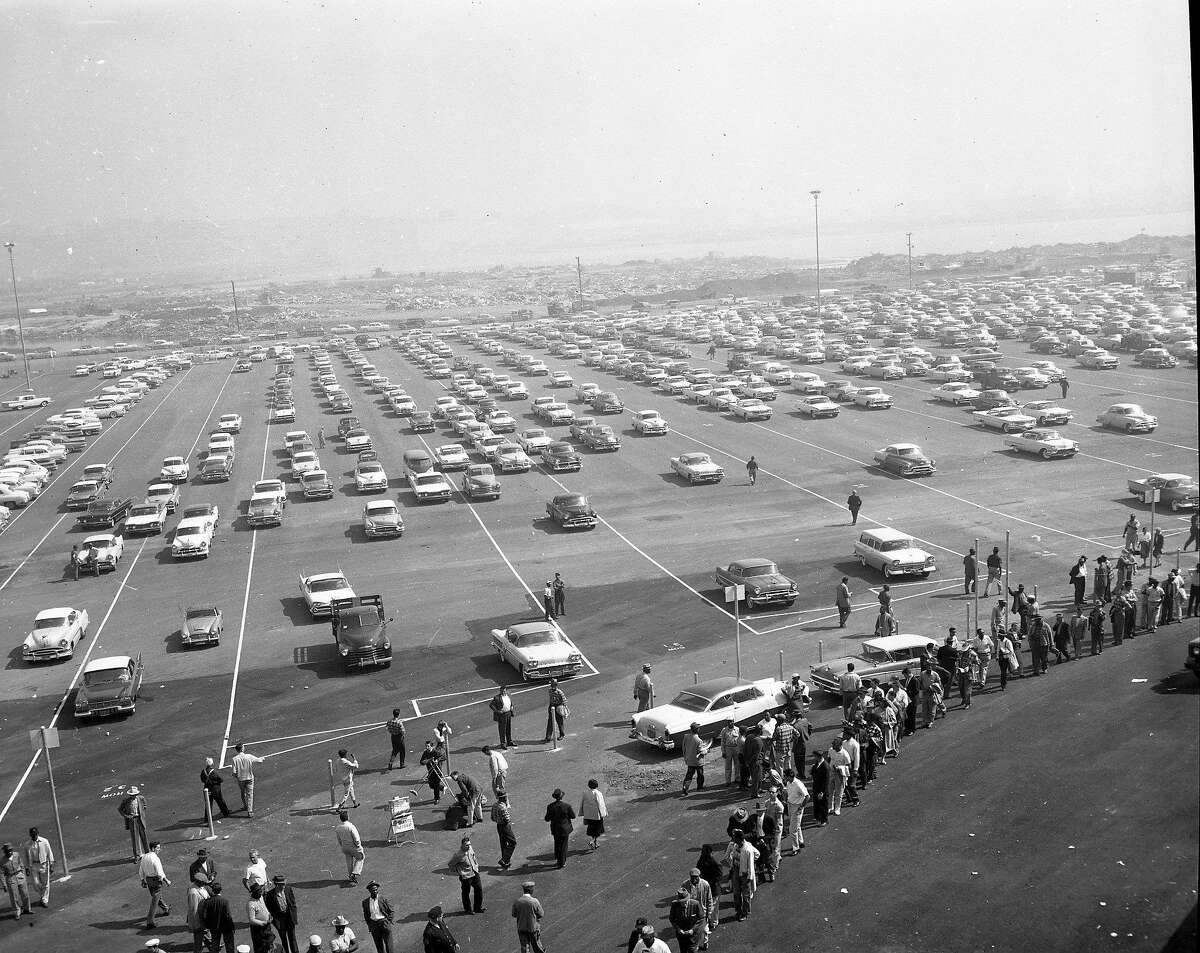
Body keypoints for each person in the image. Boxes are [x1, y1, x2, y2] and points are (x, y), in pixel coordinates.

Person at [723, 829, 759, 921]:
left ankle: (745, 912)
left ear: (740, 839)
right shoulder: (735, 846)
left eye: (735, 838)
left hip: (744, 874)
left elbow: (755, 857)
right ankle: (738, 911)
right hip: (735, 871)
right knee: (736, 893)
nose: (733, 840)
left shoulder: (748, 849)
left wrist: (749, 875)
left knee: (745, 895)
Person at [139, 841, 172, 929]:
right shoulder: (155, 858)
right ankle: (150, 922)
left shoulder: (144, 857)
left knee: (156, 896)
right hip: (156, 880)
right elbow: (160, 872)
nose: (159, 850)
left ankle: (166, 909)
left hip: (149, 880)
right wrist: (166, 880)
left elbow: (141, 870)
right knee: (155, 901)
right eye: (158, 848)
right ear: (153, 848)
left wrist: (142, 880)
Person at [449, 835, 484, 915]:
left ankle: (477, 907)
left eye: (469, 844)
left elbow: (474, 857)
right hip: (466, 876)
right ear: (462, 845)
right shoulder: (458, 855)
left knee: (479, 889)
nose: (469, 846)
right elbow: (451, 864)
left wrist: (476, 866)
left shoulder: (470, 849)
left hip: (474, 872)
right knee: (465, 893)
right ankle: (468, 909)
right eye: (467, 845)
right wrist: (459, 872)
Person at [265, 874, 300, 953]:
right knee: (283, 939)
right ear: (277, 885)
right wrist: (275, 922)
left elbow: (293, 903)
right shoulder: (270, 895)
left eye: (284, 884)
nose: (284, 886)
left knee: (292, 938)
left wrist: (294, 916)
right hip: (280, 920)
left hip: (289, 917)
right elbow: (270, 909)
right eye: (282, 884)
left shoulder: (288, 889)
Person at [200, 881, 237, 953]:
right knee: (229, 945)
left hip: (213, 927)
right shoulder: (225, 901)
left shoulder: (208, 902)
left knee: (215, 945)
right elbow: (228, 915)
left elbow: (204, 915)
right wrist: (232, 926)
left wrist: (207, 925)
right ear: (220, 890)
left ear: (212, 890)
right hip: (226, 927)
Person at [544, 788, 576, 868]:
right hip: (565, 828)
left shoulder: (550, 806)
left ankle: (558, 860)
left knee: (557, 844)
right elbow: (573, 816)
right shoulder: (567, 806)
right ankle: (562, 862)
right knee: (564, 846)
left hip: (555, 828)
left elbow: (547, 819)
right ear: (561, 797)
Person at [232, 742, 265, 818]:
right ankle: (249, 811)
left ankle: (245, 805)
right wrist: (262, 758)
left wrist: (238, 777)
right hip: (249, 778)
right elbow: (259, 760)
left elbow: (234, 772)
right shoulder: (248, 756)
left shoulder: (234, 759)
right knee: (250, 794)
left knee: (242, 792)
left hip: (241, 779)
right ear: (242, 749)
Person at [118, 785, 151, 860]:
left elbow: (145, 805)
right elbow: (120, 809)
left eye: (134, 795)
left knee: (144, 836)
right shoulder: (126, 801)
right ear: (129, 795)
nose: (133, 796)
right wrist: (126, 816)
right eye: (132, 795)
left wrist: (142, 813)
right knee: (135, 838)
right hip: (132, 819)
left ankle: (147, 853)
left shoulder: (141, 798)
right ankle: (137, 856)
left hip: (140, 818)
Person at [22, 827, 52, 908]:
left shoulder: (44, 841)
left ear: (38, 834)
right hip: (33, 866)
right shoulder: (27, 844)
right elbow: (25, 857)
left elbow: (49, 852)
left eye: (35, 834)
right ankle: (42, 895)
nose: (34, 836)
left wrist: (51, 864)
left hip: (44, 864)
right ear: (30, 835)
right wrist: (26, 868)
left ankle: (44, 899)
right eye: (32, 835)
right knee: (36, 884)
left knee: (45, 883)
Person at [512, 882, 546, 953]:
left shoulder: (517, 901)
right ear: (530, 890)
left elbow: (514, 914)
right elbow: (541, 914)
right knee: (537, 947)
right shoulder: (534, 901)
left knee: (525, 949)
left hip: (521, 928)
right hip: (533, 928)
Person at [361, 881, 395, 953]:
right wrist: (370, 925)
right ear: (369, 891)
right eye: (373, 890)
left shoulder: (383, 899)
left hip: (384, 923)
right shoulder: (365, 902)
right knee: (378, 945)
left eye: (376, 889)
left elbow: (391, 911)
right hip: (374, 925)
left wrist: (387, 921)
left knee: (389, 945)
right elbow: (366, 915)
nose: (375, 891)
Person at [1, 843, 32, 921]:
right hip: (11, 878)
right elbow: (1, 873)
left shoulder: (17, 855)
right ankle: (17, 912)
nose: (9, 852)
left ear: (12, 850)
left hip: (20, 875)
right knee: (14, 897)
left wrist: (23, 875)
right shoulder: (2, 860)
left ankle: (27, 909)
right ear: (4, 852)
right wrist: (4, 885)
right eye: (7, 851)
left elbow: (21, 864)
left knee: (25, 894)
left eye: (10, 850)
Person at [669, 885, 704, 952]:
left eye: (685, 901)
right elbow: (671, 919)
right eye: (682, 902)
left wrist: (693, 929)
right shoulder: (674, 905)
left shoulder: (696, 904)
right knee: (683, 950)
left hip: (693, 935)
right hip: (681, 935)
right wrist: (678, 929)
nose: (684, 903)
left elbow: (701, 918)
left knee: (692, 950)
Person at [335, 811, 365, 885]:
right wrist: (358, 845)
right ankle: (355, 873)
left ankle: (351, 877)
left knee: (349, 862)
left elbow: (339, 839)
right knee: (360, 857)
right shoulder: (350, 826)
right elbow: (356, 838)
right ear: (348, 817)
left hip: (345, 847)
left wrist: (342, 846)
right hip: (353, 847)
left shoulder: (338, 828)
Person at [680, 723, 709, 796]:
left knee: (689, 776)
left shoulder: (686, 737)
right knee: (700, 774)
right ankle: (700, 787)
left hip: (689, 760)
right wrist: (706, 751)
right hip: (698, 761)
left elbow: (683, 748)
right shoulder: (698, 740)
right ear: (697, 730)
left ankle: (685, 789)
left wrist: (685, 757)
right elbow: (700, 751)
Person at [491, 792, 518, 868]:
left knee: (503, 844)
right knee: (513, 842)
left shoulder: (494, 805)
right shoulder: (502, 807)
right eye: (506, 797)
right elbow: (507, 819)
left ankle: (506, 862)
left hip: (499, 826)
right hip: (505, 826)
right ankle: (504, 860)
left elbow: (492, 818)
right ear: (503, 798)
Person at [187, 872, 211, 953]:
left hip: (204, 919)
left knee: (206, 938)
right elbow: (194, 909)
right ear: (198, 882)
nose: (204, 884)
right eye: (203, 883)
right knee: (198, 943)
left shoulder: (201, 888)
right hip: (198, 921)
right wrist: (197, 925)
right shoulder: (193, 892)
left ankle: (212, 946)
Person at [579, 779, 607, 849]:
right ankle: (593, 841)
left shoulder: (585, 793)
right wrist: (603, 814)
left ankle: (595, 842)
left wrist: (582, 812)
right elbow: (601, 804)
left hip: (588, 815)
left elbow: (582, 803)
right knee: (598, 829)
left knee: (591, 829)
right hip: (597, 815)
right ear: (596, 785)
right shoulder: (598, 793)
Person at [247, 882, 273, 953]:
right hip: (258, 930)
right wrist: (263, 923)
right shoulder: (251, 904)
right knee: (260, 948)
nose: (261, 893)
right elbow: (251, 920)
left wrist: (269, 914)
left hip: (266, 926)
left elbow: (264, 907)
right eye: (259, 892)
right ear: (254, 893)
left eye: (261, 891)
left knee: (269, 945)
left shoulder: (260, 897)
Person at [420, 739, 448, 804]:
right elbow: (421, 762)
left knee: (435, 786)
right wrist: (429, 760)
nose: (427, 748)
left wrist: (437, 760)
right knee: (431, 785)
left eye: (428, 746)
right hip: (430, 771)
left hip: (437, 771)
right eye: (426, 746)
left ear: (432, 746)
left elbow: (444, 757)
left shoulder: (436, 752)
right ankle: (442, 788)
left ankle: (437, 798)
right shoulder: (425, 752)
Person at [743, 725, 765, 796]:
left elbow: (745, 749)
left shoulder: (748, 737)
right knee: (756, 778)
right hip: (756, 762)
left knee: (756, 777)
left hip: (749, 761)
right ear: (760, 731)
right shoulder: (759, 741)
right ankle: (755, 793)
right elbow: (756, 755)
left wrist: (747, 761)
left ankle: (759, 789)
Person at [719, 718, 741, 786]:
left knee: (737, 764)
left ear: (733, 721)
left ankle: (737, 778)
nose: (729, 723)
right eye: (728, 722)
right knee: (728, 765)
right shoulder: (724, 730)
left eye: (731, 721)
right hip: (728, 748)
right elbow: (722, 741)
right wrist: (723, 751)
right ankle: (728, 781)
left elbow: (740, 739)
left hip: (736, 748)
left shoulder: (737, 729)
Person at [810, 751, 830, 825]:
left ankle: (824, 820)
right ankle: (818, 818)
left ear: (818, 756)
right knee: (817, 804)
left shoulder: (825, 766)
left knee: (823, 805)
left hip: (822, 789)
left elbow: (826, 781)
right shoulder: (817, 763)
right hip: (816, 787)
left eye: (814, 756)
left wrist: (822, 792)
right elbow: (813, 771)